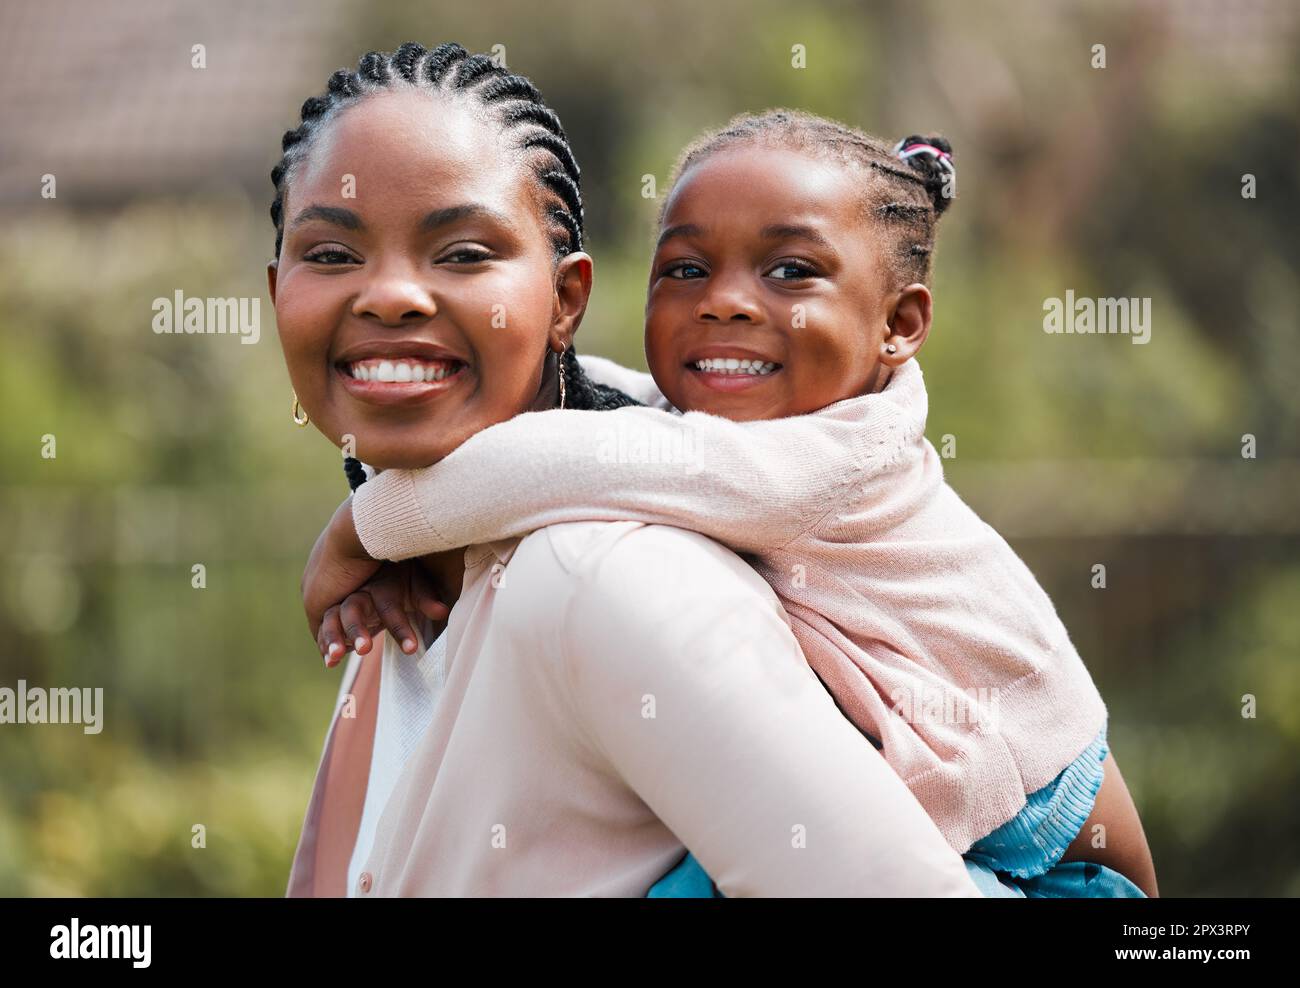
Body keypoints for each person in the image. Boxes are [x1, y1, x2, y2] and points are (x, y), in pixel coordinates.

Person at [305, 108, 1158, 897]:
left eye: (791, 271)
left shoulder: (834, 461)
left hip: (1042, 856)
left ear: (899, 324)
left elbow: (572, 455)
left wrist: (367, 527)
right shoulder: (718, 438)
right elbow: (601, 415)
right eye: (685, 267)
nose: (725, 300)